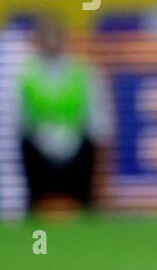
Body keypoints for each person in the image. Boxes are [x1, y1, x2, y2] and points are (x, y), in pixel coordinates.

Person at [17, 16, 109, 212]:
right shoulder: (25, 74)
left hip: (76, 146)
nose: (51, 42)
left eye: (55, 36)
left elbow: (98, 120)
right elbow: (19, 121)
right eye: (45, 37)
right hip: (39, 148)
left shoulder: (83, 71)